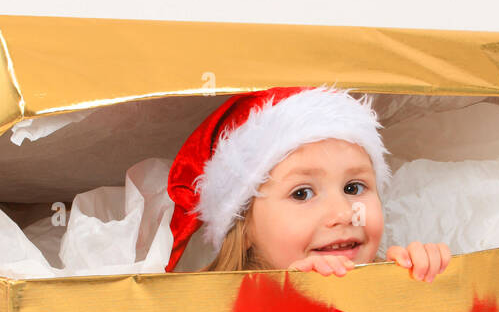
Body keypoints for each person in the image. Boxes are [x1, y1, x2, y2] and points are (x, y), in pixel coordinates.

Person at [166, 85, 451, 281]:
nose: (342, 213)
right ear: (245, 228)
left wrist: (423, 280)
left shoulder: (392, 276)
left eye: (353, 188)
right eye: (302, 194)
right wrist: (298, 303)